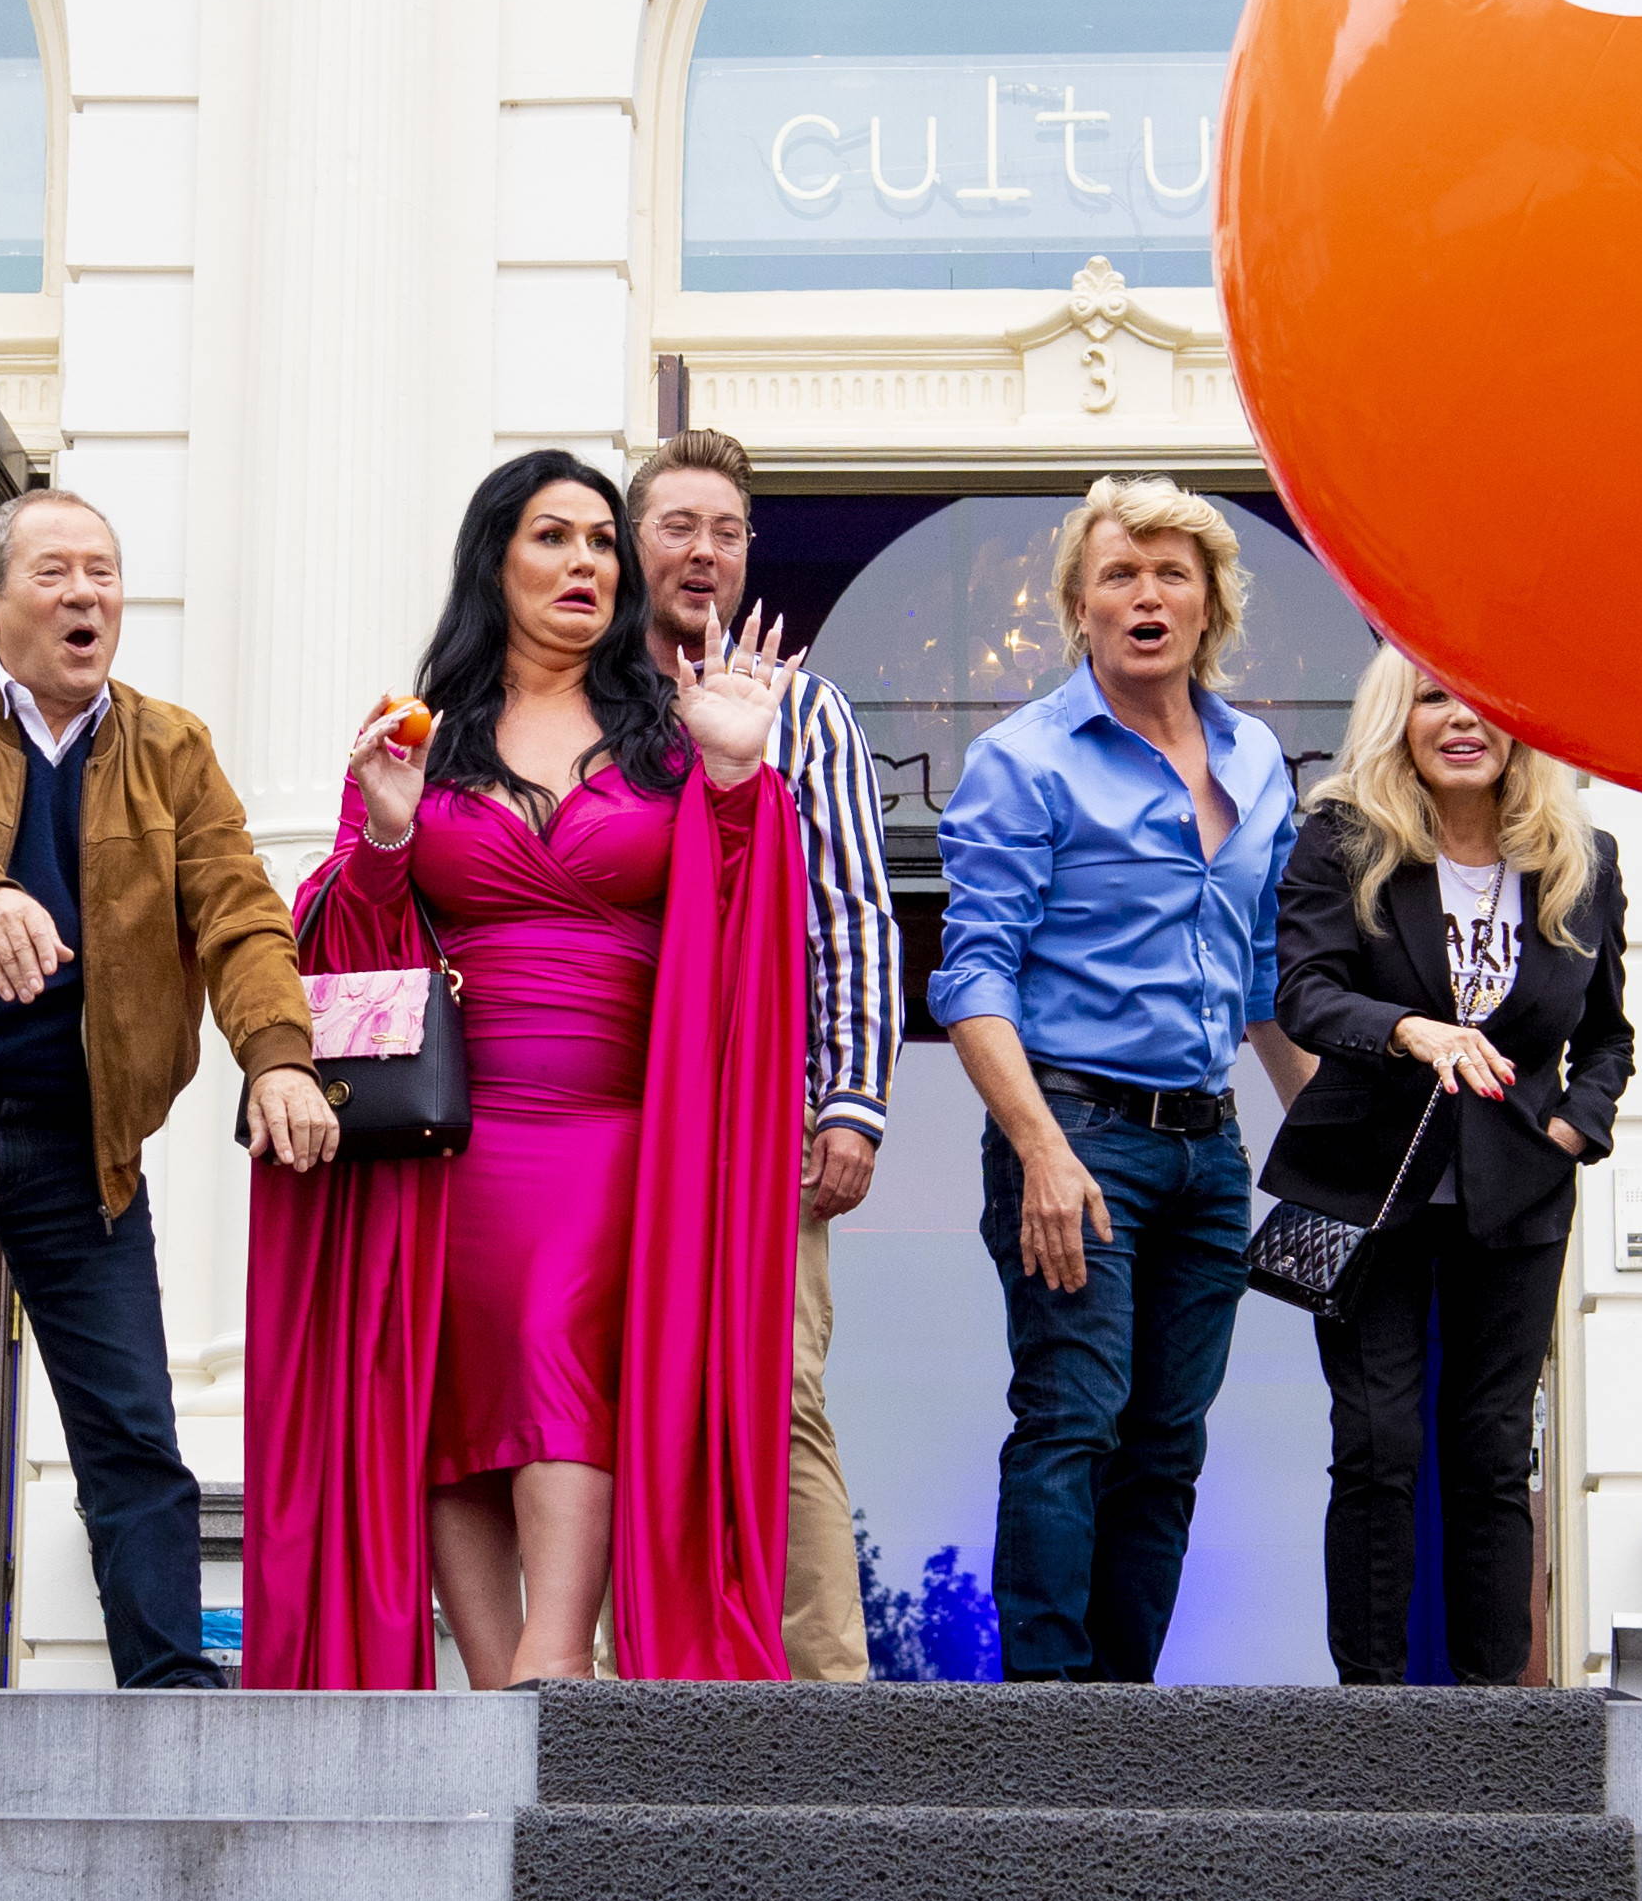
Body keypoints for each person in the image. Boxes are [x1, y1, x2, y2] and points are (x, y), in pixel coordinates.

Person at [241, 450, 811, 1688]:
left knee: (565, 1355)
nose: (588, 564)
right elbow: (339, 947)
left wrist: (731, 779)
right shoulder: (416, 738)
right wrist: (386, 832)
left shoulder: (673, 730)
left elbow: (745, 923)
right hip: (459, 1133)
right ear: (494, 562)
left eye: (603, 543)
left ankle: (555, 1667)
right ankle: (502, 1689)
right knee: (455, 1397)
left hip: (618, 1129)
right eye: (554, 539)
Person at [0, 488, 329, 1689]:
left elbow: (240, 912)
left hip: (81, 1137)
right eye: (54, 574)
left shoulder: (171, 749)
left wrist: (281, 1056)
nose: (85, 594)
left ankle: (164, 1687)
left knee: (131, 1433)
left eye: (102, 573)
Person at [931, 474, 1311, 1681]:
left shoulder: (1254, 759)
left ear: (1209, 605)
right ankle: (1046, 1716)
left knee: (1166, 1443)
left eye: (1170, 574)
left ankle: (1123, 1712)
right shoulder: (1023, 761)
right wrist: (1040, 1149)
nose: (1145, 595)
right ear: (1077, 608)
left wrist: (1323, 1158)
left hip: (1210, 1151)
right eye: (1119, 575)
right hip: (1077, 1130)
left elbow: (1261, 978)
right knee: (1072, 1418)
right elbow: (973, 978)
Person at [1264, 645, 1635, 1686]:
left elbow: (1604, 1035)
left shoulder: (1584, 858)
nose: (1459, 718)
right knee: (1376, 1445)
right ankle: (1372, 1710)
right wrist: (1410, 1032)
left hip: (1515, 1189)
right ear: (1398, 719)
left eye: (1481, 697)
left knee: (1488, 1455)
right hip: (1358, 1182)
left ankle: (1493, 1719)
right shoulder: (1342, 840)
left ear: (1518, 723)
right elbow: (1307, 994)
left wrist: (1573, 1127)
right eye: (1432, 697)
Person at [625, 427, 898, 1683]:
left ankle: (825, 1699)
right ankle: (624, 1688)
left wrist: (848, 1101)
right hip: (598, 1111)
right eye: (678, 525)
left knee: (771, 1394)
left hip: (755, 1116)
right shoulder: (578, 699)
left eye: (727, 532)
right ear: (636, 543)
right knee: (604, 1400)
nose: (703, 552)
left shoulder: (810, 709)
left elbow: (851, 909)